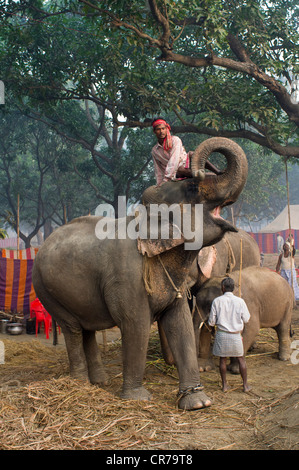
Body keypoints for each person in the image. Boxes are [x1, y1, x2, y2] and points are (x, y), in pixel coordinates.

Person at [208, 277, 251, 392]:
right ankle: (245, 385)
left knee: (222, 360)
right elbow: (247, 319)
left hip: (222, 334)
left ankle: (224, 385)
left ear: (222, 288)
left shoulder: (217, 301)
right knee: (241, 359)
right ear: (233, 289)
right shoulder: (240, 301)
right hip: (236, 335)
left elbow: (211, 322)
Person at [151, 118, 221, 186]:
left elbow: (174, 159)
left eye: (163, 129)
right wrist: (160, 183)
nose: (161, 132)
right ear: (154, 131)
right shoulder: (155, 151)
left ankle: (217, 171)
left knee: (192, 154)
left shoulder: (175, 140)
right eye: (158, 129)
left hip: (184, 162)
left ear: (167, 129)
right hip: (175, 172)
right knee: (180, 169)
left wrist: (166, 179)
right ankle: (201, 175)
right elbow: (158, 169)